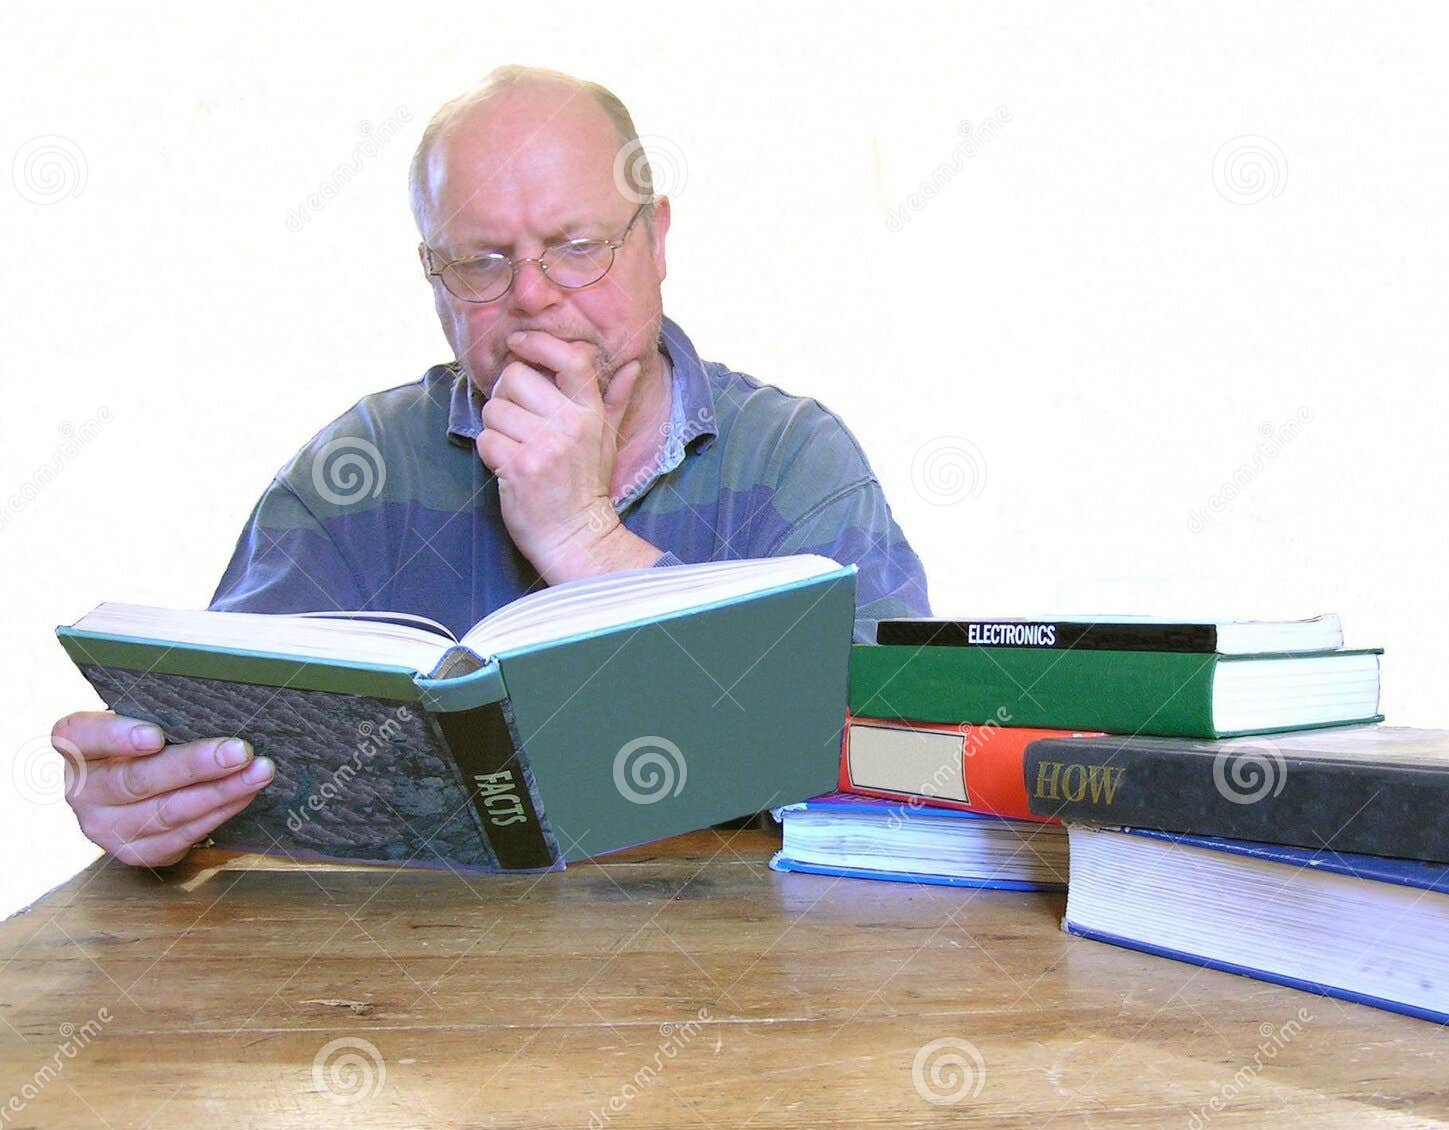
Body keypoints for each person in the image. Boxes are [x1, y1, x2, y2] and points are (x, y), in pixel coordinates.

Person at [52, 66, 930, 869]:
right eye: (481, 262)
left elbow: (912, 770)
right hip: (403, 996)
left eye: (578, 245)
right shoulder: (353, 472)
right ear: (434, 278)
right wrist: (152, 796)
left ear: (655, 241)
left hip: (732, 996)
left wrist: (585, 541)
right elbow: (222, 753)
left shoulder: (797, 461)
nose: (535, 295)